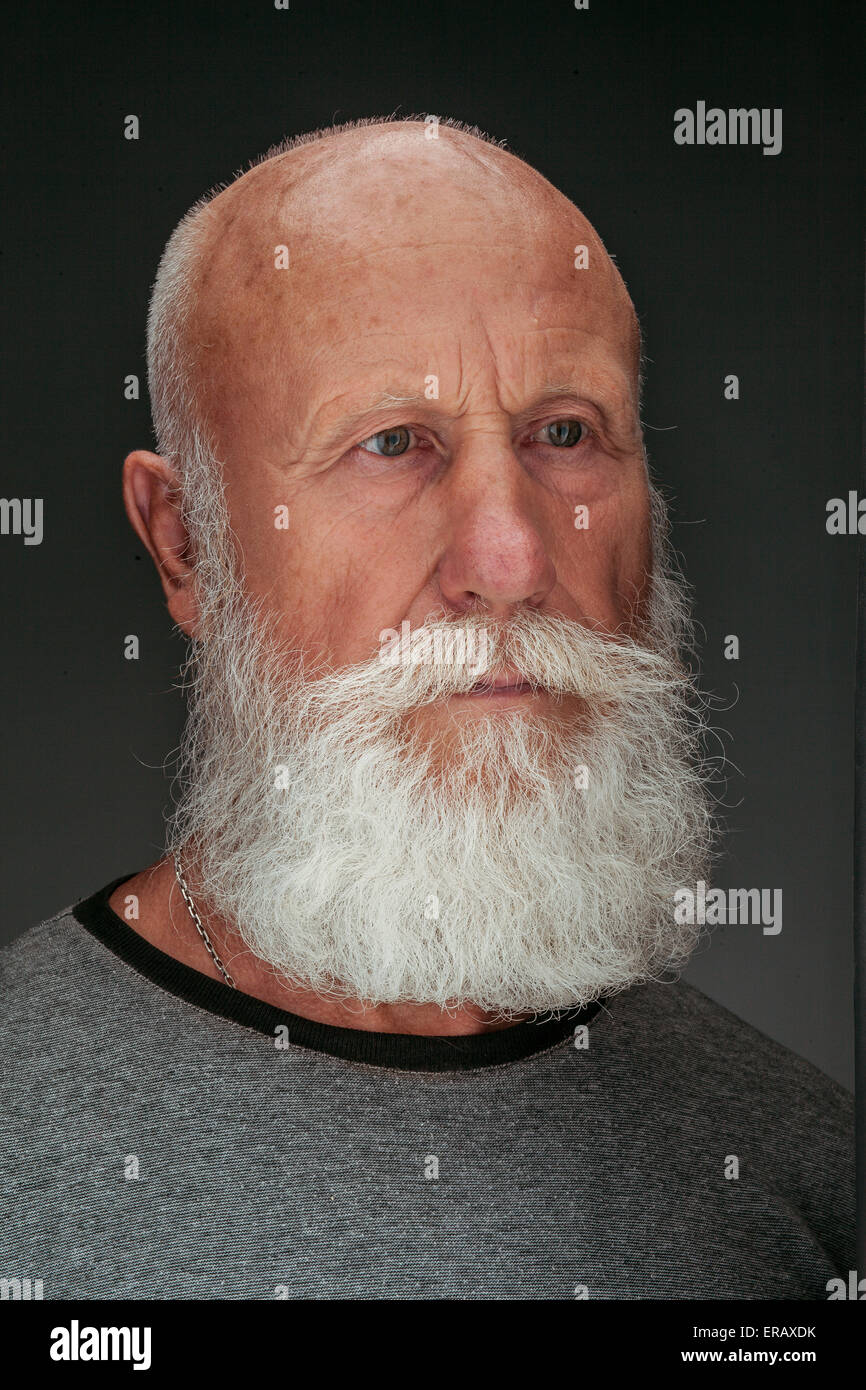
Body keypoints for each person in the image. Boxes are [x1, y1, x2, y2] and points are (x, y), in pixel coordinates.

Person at [0, 116, 853, 1300]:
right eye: (392, 443)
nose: (505, 561)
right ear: (185, 540)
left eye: (564, 434)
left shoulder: (803, 1174)